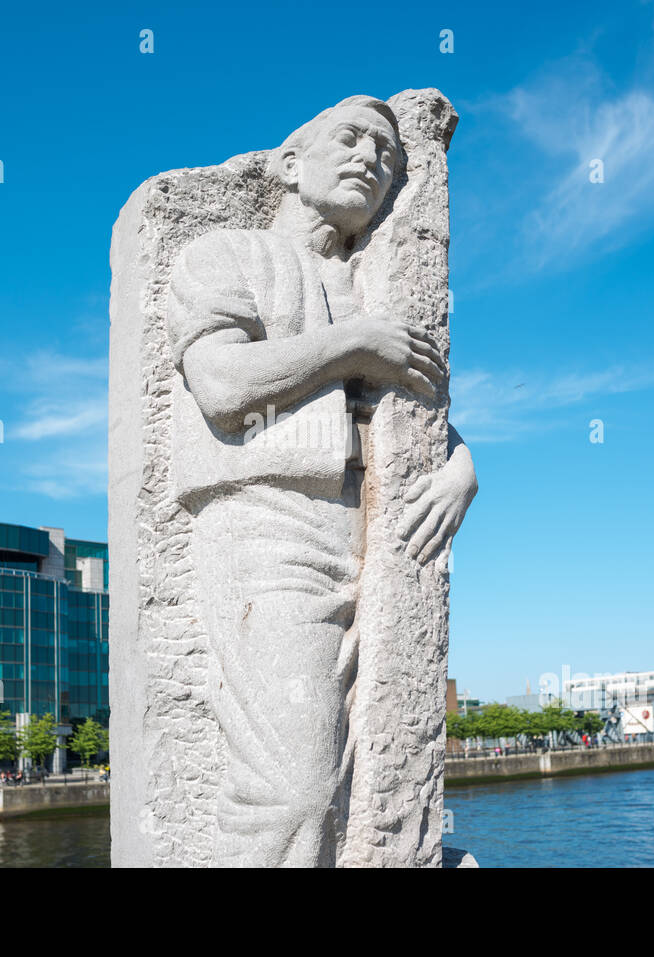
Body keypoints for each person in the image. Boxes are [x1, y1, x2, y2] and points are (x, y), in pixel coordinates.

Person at [169, 94, 478, 867]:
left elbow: (415, 411)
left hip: (367, 534)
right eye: (350, 139)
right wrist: (351, 344)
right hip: (265, 522)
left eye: (386, 153)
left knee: (357, 775)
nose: (370, 159)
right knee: (291, 786)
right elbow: (218, 382)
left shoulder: (370, 290)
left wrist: (464, 471)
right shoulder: (226, 253)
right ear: (287, 164)